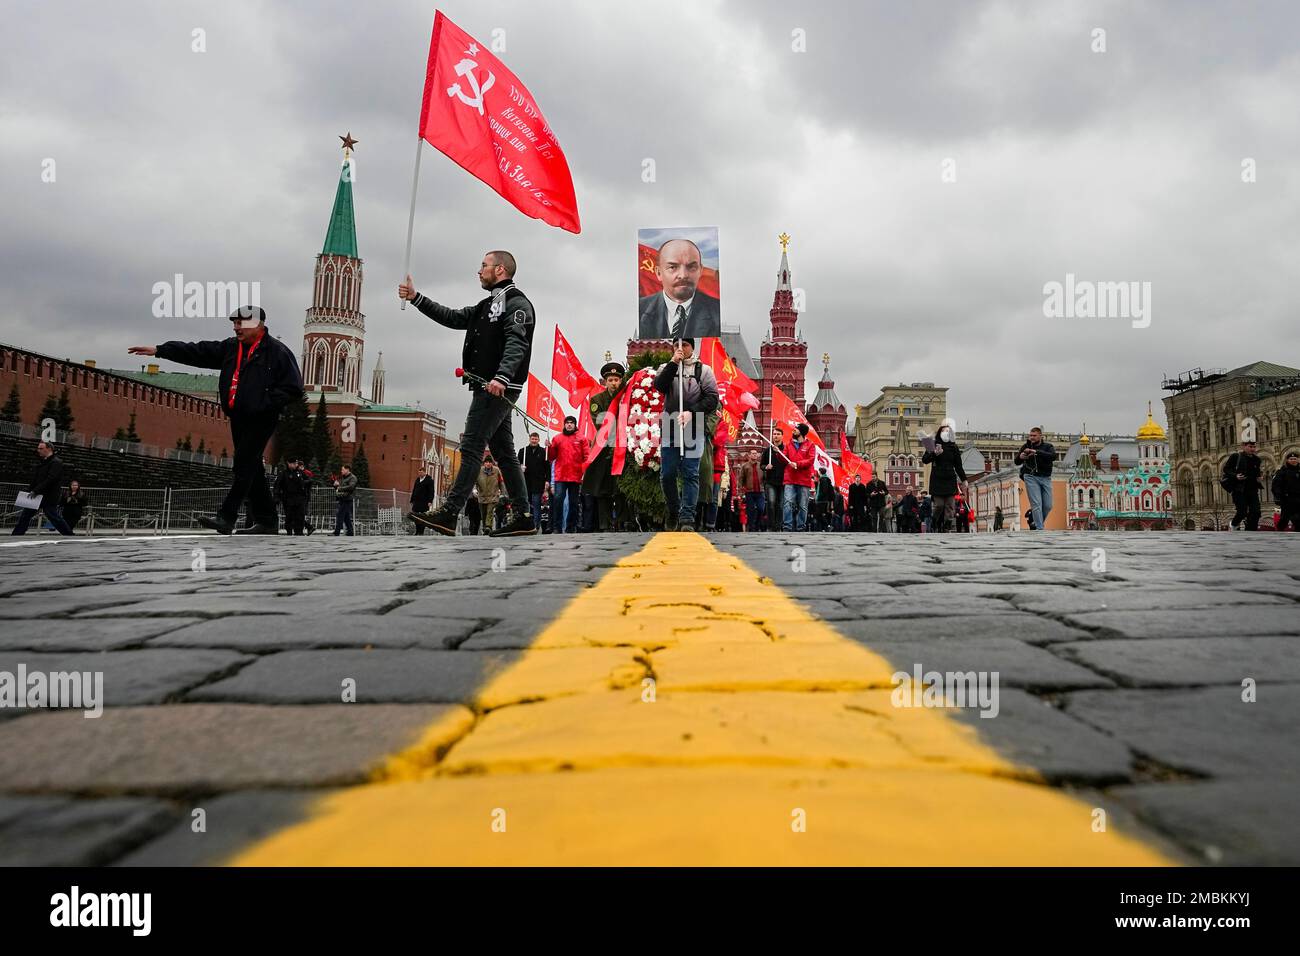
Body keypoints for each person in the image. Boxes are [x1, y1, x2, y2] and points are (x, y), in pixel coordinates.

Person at [129, 306, 303, 535]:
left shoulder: (277, 352)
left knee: (244, 462)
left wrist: (266, 402)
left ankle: (226, 516)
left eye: (240, 323)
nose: (235, 327)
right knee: (252, 467)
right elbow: (198, 352)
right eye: (234, 323)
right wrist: (160, 350)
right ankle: (268, 520)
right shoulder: (231, 347)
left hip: (262, 417)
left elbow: (294, 387)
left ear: (257, 324)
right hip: (238, 417)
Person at [398, 251, 536, 537]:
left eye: (484, 266)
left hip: (496, 387)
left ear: (500, 270)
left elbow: (516, 342)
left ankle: (449, 512)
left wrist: (502, 376)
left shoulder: (516, 303)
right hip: (487, 385)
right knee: (504, 454)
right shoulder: (486, 306)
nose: (479, 271)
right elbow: (452, 317)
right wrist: (416, 298)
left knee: (472, 446)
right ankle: (523, 516)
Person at [653, 337, 719, 531]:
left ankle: (687, 517)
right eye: (676, 345)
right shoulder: (666, 367)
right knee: (667, 474)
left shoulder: (704, 370)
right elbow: (660, 386)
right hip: (670, 427)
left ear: (692, 347)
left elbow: (712, 399)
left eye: (685, 345)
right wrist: (673, 363)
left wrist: (693, 412)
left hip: (694, 427)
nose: (680, 348)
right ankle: (673, 510)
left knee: (691, 473)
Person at [637, 238, 722, 339]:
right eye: (673, 267)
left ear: (700, 271)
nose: (683, 275)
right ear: (658, 273)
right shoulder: (640, 309)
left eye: (691, 267)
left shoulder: (717, 312)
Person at [581, 362, 627, 532]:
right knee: (603, 488)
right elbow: (601, 423)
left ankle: (623, 522)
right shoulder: (596, 400)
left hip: (623, 448)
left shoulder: (627, 397)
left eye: (617, 379)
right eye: (611, 380)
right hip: (603, 449)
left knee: (622, 488)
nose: (614, 383)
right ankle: (604, 524)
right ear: (605, 382)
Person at [11, 441, 73, 536]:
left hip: (48, 496)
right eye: (38, 448)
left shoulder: (56, 462)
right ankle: (16, 534)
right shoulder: (43, 462)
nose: (38, 450)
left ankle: (69, 535)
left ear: (49, 449)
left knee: (53, 517)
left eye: (41, 448)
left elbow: (51, 479)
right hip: (37, 495)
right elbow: (36, 479)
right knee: (25, 516)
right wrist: (30, 490)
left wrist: (35, 490)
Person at [922, 419, 968, 533]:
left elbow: (958, 465)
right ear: (939, 433)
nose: (946, 433)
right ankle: (934, 521)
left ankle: (947, 526)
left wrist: (964, 480)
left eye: (948, 431)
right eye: (944, 431)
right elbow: (925, 460)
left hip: (950, 479)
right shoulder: (932, 444)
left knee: (950, 506)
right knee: (939, 505)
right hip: (937, 479)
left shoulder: (954, 447)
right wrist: (934, 454)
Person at [547, 416, 587, 533]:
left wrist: (584, 472)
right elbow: (551, 457)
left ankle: (571, 527)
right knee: (558, 500)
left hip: (575, 476)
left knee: (574, 503)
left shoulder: (581, 439)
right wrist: (549, 447)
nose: (569, 425)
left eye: (571, 423)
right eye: (567, 423)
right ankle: (557, 527)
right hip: (561, 475)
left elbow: (587, 456)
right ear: (564, 425)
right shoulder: (557, 438)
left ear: (575, 425)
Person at [1017, 426, 1056, 531]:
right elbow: (1017, 461)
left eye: (1034, 435)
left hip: (1045, 477)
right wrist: (1021, 456)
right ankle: (1040, 528)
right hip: (1030, 476)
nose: (1032, 438)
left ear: (1040, 436)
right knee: (1036, 503)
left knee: (1048, 505)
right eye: (1030, 435)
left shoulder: (1048, 446)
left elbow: (1053, 456)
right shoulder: (1026, 446)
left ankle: (1033, 519)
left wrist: (1036, 452)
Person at [1222, 439, 1263, 531]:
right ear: (1244, 447)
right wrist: (1235, 476)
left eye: (1254, 447)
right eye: (1250, 446)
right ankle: (1233, 524)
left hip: (1252, 489)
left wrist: (1259, 477)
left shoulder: (1257, 459)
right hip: (1239, 489)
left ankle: (1251, 531)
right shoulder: (1236, 457)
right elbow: (1226, 469)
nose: (1252, 449)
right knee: (1242, 512)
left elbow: (1257, 472)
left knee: (1256, 512)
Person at [782, 423, 816, 531]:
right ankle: (787, 526)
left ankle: (801, 526)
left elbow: (811, 460)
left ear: (801, 432)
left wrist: (797, 464)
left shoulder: (810, 445)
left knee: (803, 505)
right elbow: (783, 458)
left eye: (795, 429)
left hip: (803, 480)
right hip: (790, 479)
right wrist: (778, 452)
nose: (793, 431)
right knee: (787, 502)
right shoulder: (788, 444)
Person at [274, 457, 313, 536]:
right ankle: (289, 531)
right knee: (289, 516)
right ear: (289, 463)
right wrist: (276, 497)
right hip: (288, 498)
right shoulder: (283, 473)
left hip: (300, 498)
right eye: (294, 463)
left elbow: (309, 481)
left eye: (296, 463)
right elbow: (277, 486)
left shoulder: (300, 472)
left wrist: (304, 483)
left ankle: (299, 532)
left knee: (300, 516)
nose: (296, 465)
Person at [518, 432, 548, 531]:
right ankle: (527, 524)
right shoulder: (523, 451)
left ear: (538, 440)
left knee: (536, 504)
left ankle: (536, 525)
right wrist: (520, 468)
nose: (534, 441)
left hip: (538, 483)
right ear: (529, 439)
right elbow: (516, 465)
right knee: (526, 504)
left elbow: (547, 468)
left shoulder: (544, 452)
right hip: (525, 483)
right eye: (532, 439)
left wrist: (547, 480)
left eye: (536, 439)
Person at [736, 450, 764, 533]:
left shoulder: (761, 465)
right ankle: (751, 527)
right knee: (750, 510)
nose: (755, 455)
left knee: (761, 509)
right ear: (749, 455)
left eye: (756, 453)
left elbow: (765, 477)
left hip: (760, 491)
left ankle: (757, 524)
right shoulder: (745, 466)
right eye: (753, 453)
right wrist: (740, 490)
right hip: (749, 492)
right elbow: (741, 478)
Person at [1271, 450, 1300, 531]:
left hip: (1298, 499)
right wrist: (1277, 497)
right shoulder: (1282, 472)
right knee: (1284, 519)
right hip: (1287, 499)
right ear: (1287, 460)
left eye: (1295, 459)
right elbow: (1276, 485)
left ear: (1298, 460)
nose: (1293, 460)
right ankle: (1279, 533)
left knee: (1298, 520)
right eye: (1291, 459)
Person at [762, 436, 786, 530]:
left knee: (780, 505)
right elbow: (762, 465)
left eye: (778, 434)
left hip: (783, 482)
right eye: (774, 433)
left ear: (781, 436)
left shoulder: (785, 450)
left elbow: (788, 462)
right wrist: (766, 467)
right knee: (771, 503)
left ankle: (778, 526)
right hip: (770, 481)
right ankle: (771, 526)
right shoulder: (768, 450)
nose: (775, 435)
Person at [477, 455, 503, 534]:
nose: (488, 464)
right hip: (482, 496)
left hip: (493, 495)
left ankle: (488, 527)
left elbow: (501, 482)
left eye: (490, 462)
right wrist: (474, 490)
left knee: (490, 511)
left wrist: (502, 492)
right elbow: (474, 481)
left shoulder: (496, 470)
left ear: (492, 463)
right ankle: (485, 527)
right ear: (484, 463)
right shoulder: (479, 471)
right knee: (483, 513)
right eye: (486, 462)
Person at [332, 464, 357, 535]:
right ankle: (350, 531)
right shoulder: (344, 478)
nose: (341, 471)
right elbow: (341, 488)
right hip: (342, 498)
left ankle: (337, 532)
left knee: (340, 515)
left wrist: (339, 488)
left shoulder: (352, 478)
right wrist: (336, 486)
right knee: (346, 517)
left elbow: (351, 487)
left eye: (342, 469)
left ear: (347, 470)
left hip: (347, 499)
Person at [409, 471, 436, 536]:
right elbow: (414, 490)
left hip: (424, 502)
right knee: (416, 516)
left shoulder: (429, 480)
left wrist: (430, 501)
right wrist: (412, 500)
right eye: (419, 472)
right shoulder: (417, 480)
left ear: (424, 473)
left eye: (421, 472)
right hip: (416, 502)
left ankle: (421, 532)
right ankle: (417, 531)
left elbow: (431, 491)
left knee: (423, 517)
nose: (419, 474)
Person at [814, 467, 836, 531]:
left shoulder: (823, 479)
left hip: (822, 500)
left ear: (820, 472)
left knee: (819, 514)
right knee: (821, 514)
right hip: (824, 500)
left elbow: (824, 490)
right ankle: (825, 527)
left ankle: (827, 526)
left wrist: (819, 496)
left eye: (818, 471)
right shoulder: (825, 479)